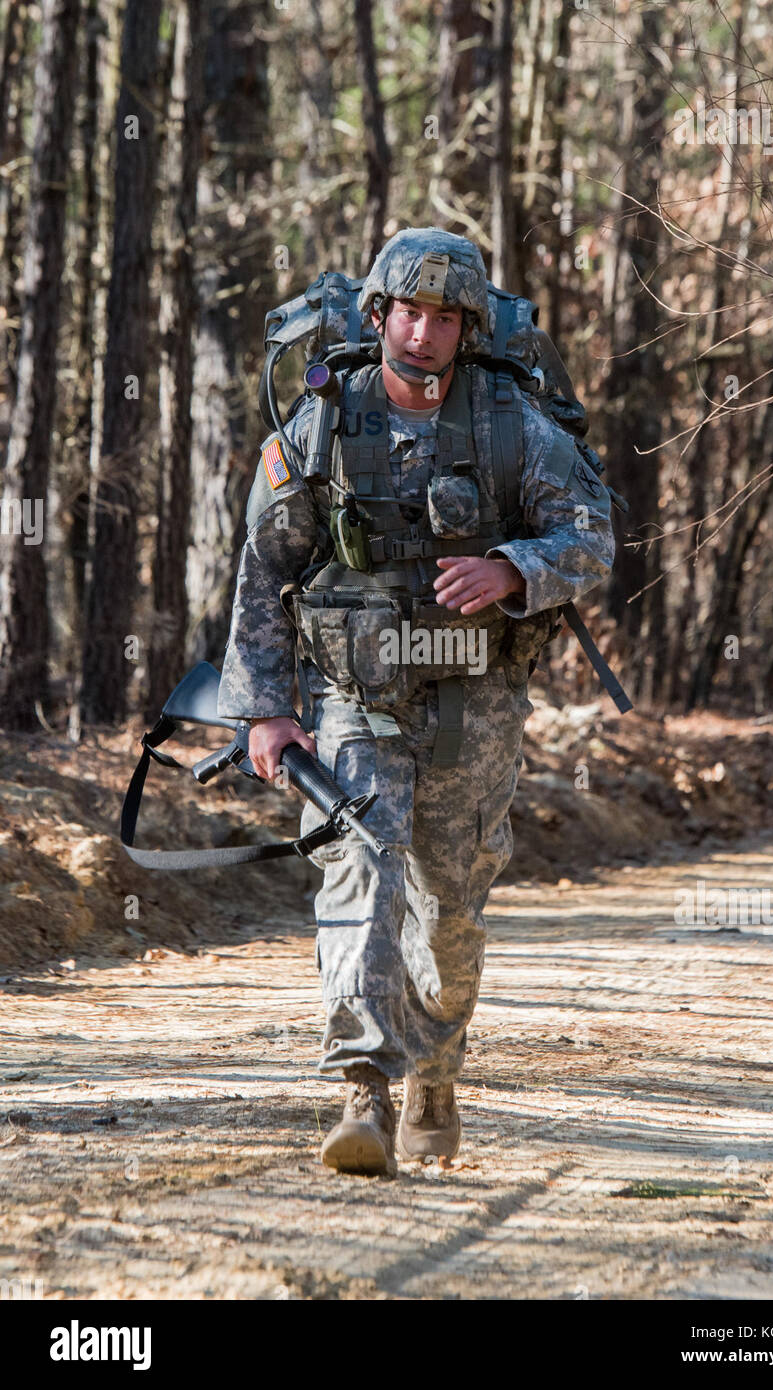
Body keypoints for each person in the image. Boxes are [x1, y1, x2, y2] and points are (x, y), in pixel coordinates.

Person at [217, 227, 614, 1177]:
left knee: (450, 908)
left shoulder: (514, 424)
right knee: (361, 871)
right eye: (409, 311)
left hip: (475, 703)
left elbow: (592, 535)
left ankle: (435, 1066)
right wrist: (265, 709)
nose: (424, 332)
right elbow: (265, 565)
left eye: (444, 317)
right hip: (359, 698)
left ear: (466, 328)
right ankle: (364, 1087)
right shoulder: (322, 422)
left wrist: (514, 567)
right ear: (378, 315)